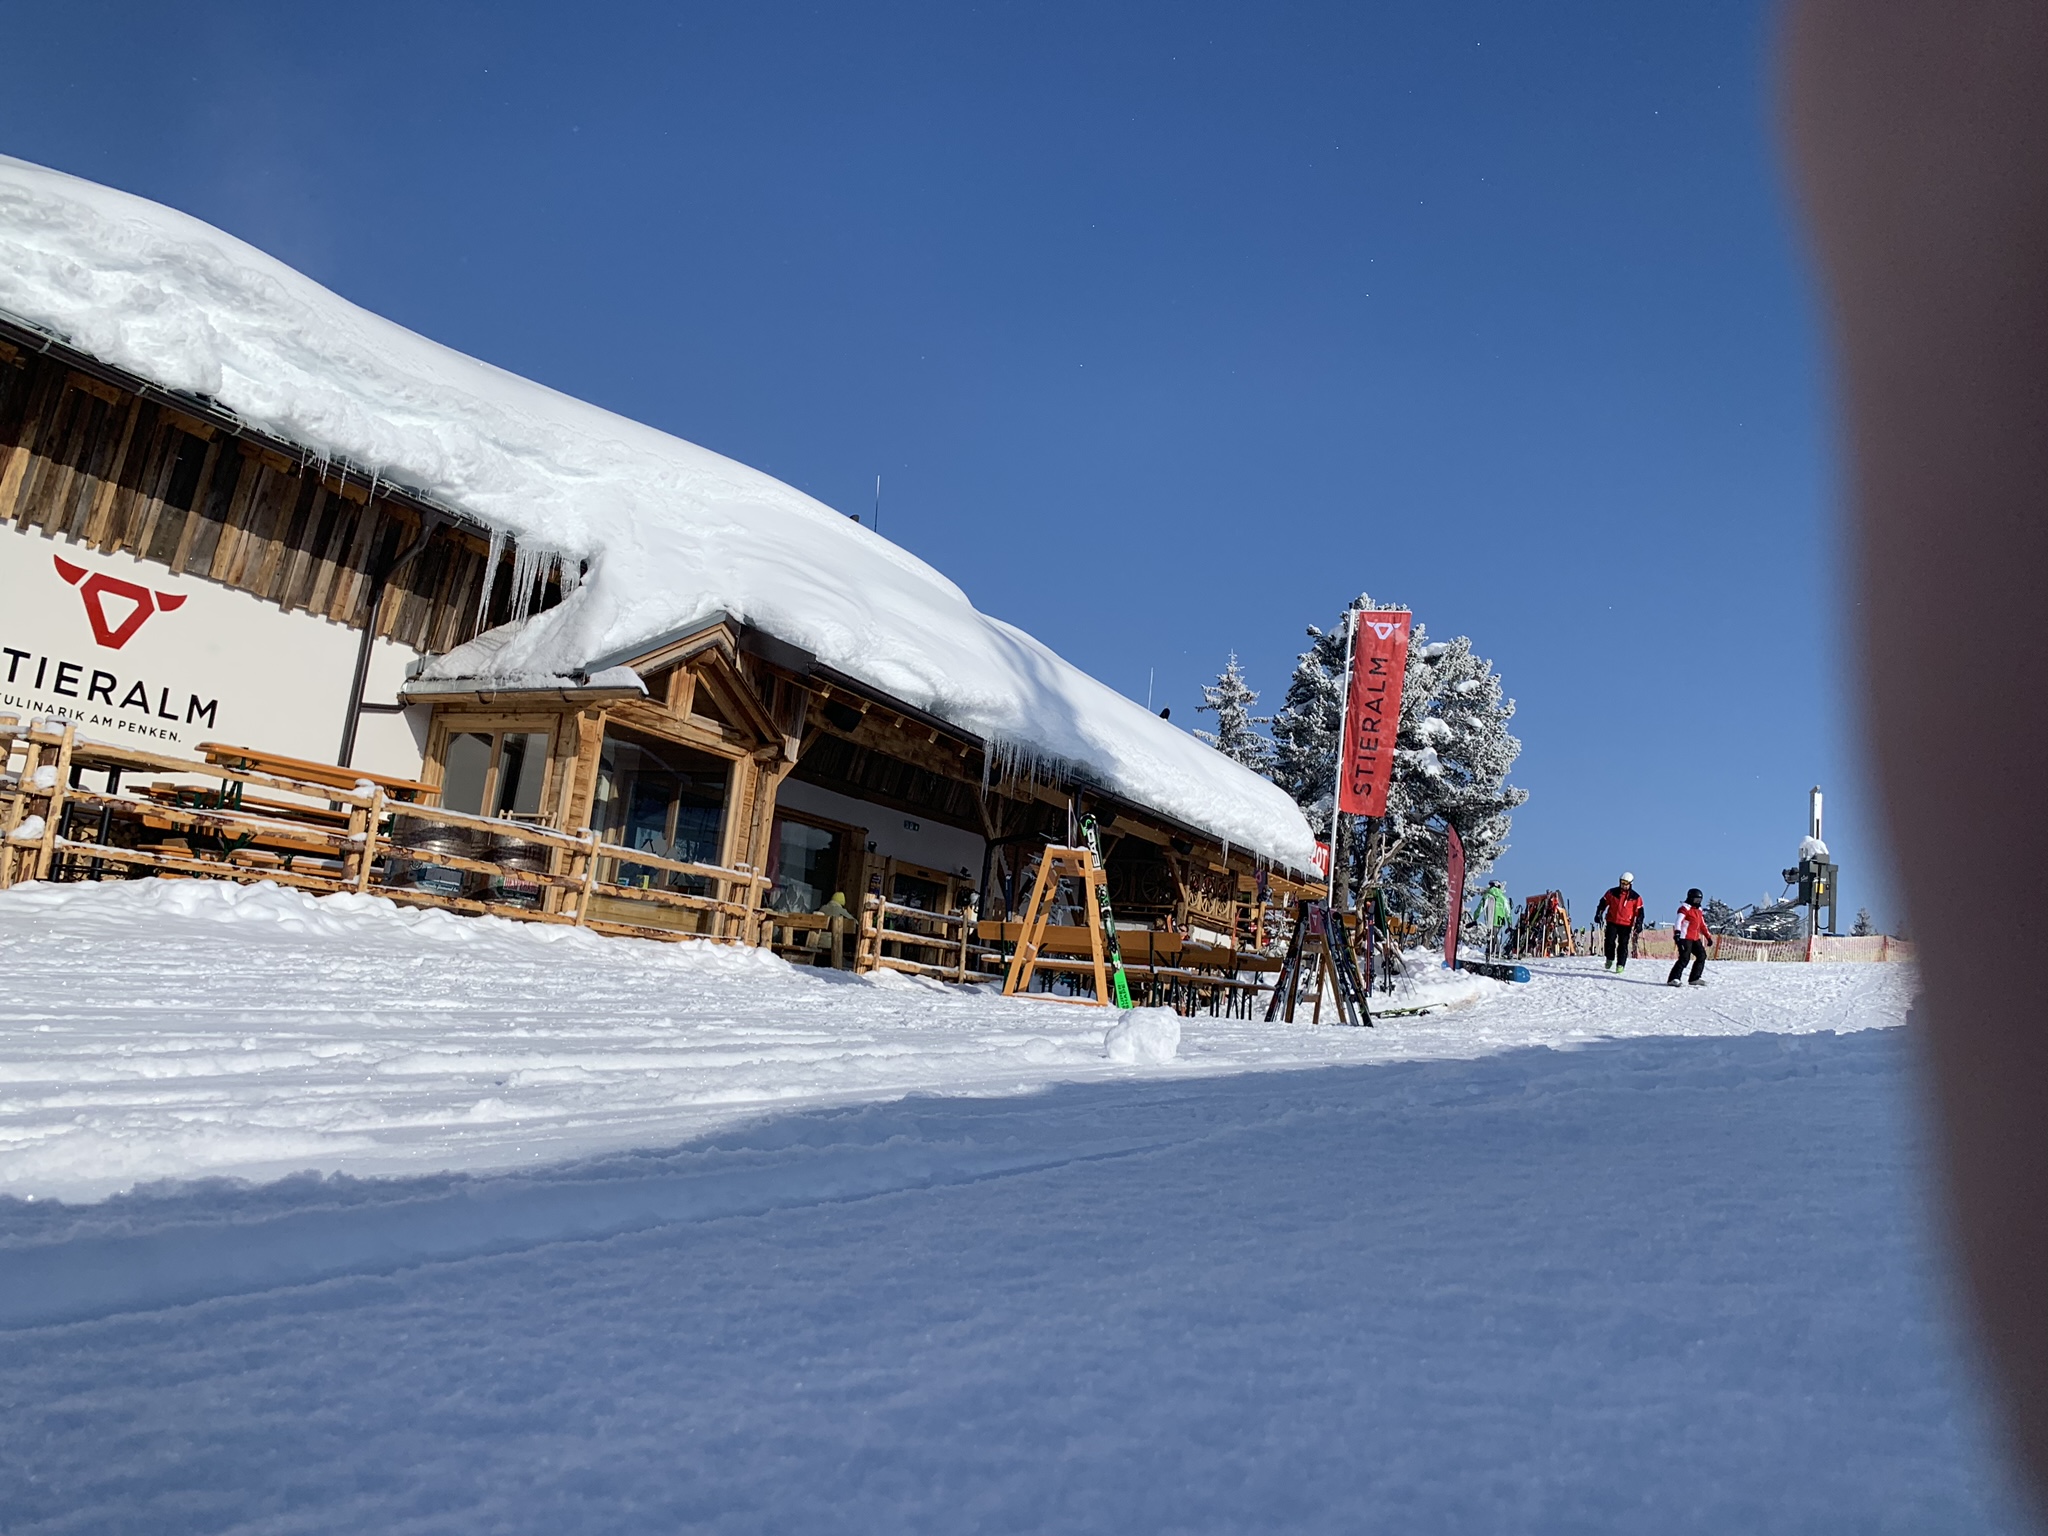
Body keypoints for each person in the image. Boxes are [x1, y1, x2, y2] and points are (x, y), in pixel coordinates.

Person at [1593, 873, 1645, 972]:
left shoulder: (1635, 897)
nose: (1624, 885)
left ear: (1630, 884)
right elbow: (1603, 903)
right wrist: (1598, 914)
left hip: (1626, 924)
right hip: (1612, 921)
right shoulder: (1612, 893)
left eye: (1626, 883)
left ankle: (1620, 964)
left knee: (1623, 944)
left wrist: (1639, 924)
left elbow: (1640, 913)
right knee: (1609, 941)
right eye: (1622, 883)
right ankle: (1610, 958)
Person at [1668, 888, 1713, 988]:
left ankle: (1694, 978)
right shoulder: (1684, 908)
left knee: (1701, 956)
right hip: (1684, 937)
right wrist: (1677, 933)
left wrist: (1708, 937)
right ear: (1690, 898)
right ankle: (1673, 979)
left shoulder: (1699, 910)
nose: (1697, 902)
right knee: (1684, 958)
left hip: (1695, 938)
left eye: (1699, 900)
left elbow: (1702, 925)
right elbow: (1678, 921)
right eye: (1696, 900)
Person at [1475, 880, 1511, 959]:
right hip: (1500, 921)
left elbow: (1480, 908)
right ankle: (1494, 951)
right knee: (1494, 935)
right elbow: (1508, 912)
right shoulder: (1503, 898)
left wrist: (1475, 917)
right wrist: (1509, 923)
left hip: (1491, 920)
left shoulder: (1487, 896)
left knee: (1492, 935)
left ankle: (1494, 951)